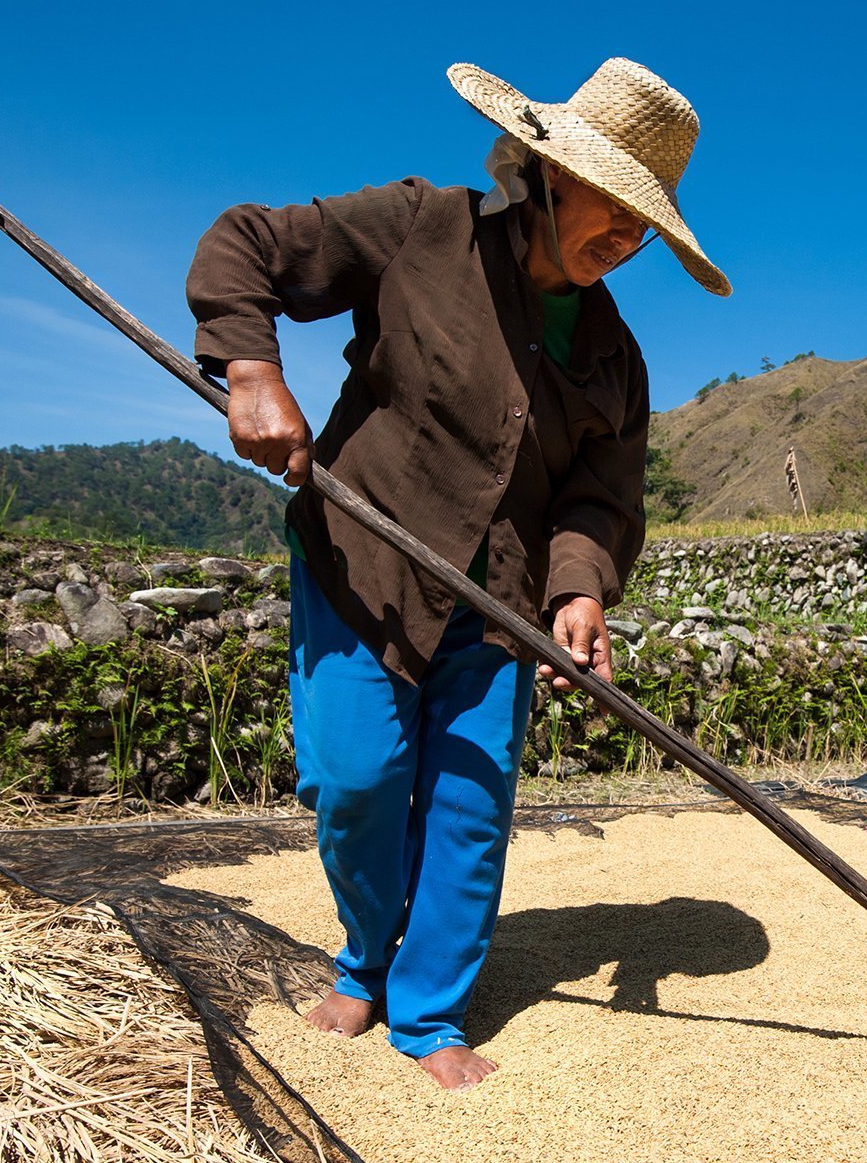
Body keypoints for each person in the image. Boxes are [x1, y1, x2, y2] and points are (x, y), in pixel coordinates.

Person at [186, 58, 729, 1091]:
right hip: (363, 564)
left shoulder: (616, 360)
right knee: (357, 781)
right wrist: (250, 366)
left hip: (498, 612)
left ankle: (427, 1006)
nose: (623, 236)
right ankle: (365, 957)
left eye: (642, 223)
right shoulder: (419, 227)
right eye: (610, 206)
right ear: (546, 175)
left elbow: (599, 502)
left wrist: (577, 588)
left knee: (470, 807)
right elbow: (247, 242)